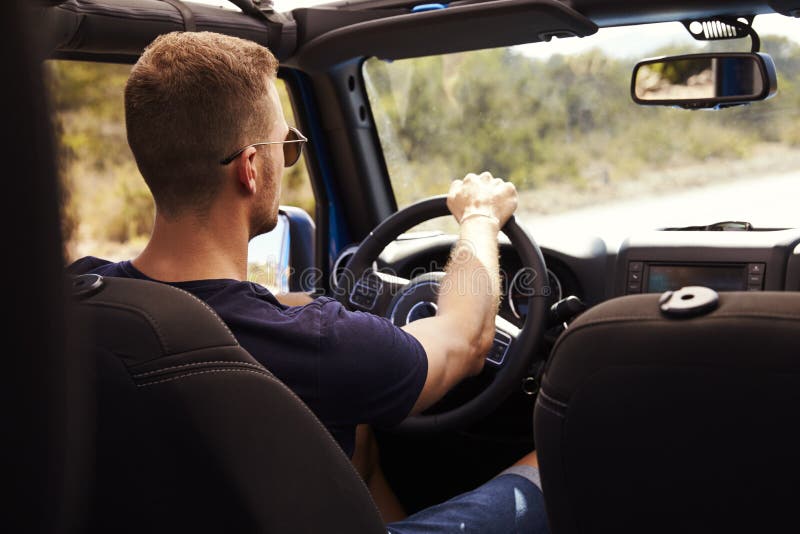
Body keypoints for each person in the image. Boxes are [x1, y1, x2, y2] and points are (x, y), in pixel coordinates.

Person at [69, 31, 547, 533]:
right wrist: (480, 217)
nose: (286, 157)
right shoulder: (321, 344)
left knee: (359, 441)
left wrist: (288, 303)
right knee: (554, 460)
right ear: (251, 168)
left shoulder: (80, 294)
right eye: (286, 145)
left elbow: (209, 303)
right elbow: (468, 339)